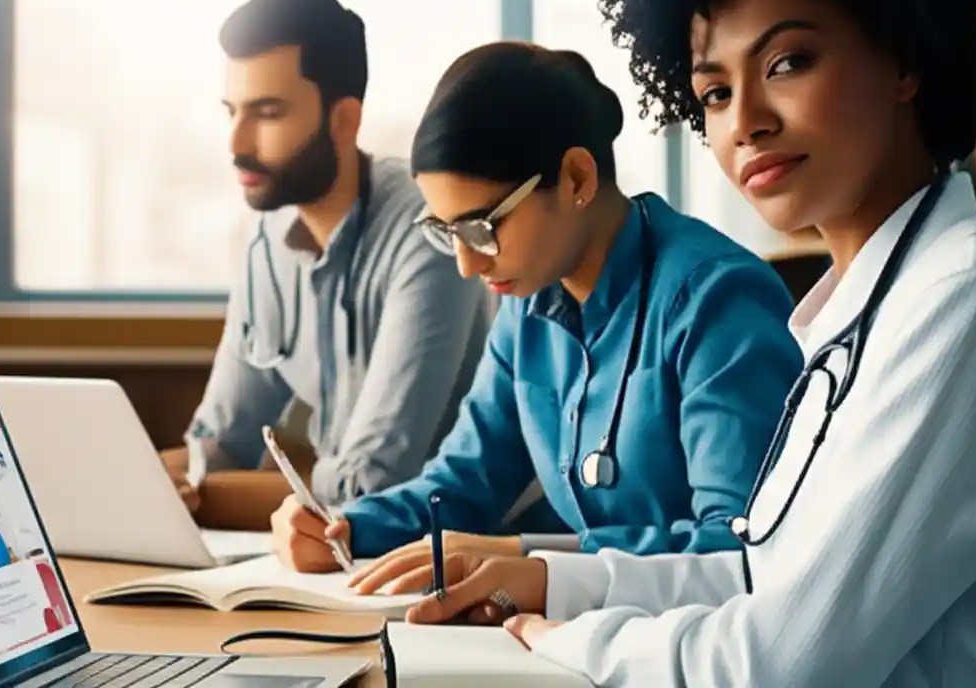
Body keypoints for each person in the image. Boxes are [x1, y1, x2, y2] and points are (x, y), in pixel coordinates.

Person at [404, 0, 976, 686]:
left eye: (788, 62)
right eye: (714, 93)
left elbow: (781, 661)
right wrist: (553, 580)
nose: (745, 122)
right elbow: (757, 571)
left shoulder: (973, 295)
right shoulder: (855, 315)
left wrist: (567, 638)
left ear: (903, 58)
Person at [270, 41, 804, 581]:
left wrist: (527, 558)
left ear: (576, 178)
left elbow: (734, 548)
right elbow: (462, 485)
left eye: (481, 227)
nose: (467, 264)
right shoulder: (525, 310)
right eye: (447, 231)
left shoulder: (718, 300)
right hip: (574, 624)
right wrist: (344, 528)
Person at [161, 0, 492, 511]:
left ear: (343, 120)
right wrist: (144, 486)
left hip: (450, 542)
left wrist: (199, 496)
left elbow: (371, 484)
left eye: (267, 113)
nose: (236, 144)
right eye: (232, 112)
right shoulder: (267, 241)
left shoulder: (427, 231)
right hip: (338, 544)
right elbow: (218, 446)